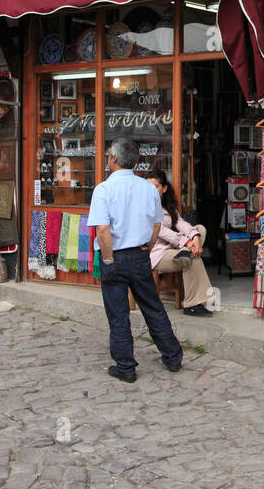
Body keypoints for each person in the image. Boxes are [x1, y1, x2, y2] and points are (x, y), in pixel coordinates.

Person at [88, 137, 184, 382]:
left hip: (115, 256)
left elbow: (102, 230)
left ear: (113, 158)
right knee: (152, 307)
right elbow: (155, 226)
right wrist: (146, 249)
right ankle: (172, 356)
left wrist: (108, 259)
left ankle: (125, 366)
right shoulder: (147, 189)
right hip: (140, 255)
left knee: (118, 314)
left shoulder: (104, 189)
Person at [147, 169, 213, 317]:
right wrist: (188, 242)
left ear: (164, 188)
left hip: (173, 248)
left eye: (155, 187)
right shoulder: (144, 208)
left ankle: (191, 250)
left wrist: (194, 237)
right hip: (157, 253)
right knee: (190, 257)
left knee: (200, 229)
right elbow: (162, 231)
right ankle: (192, 304)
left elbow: (180, 223)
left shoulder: (167, 206)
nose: (151, 191)